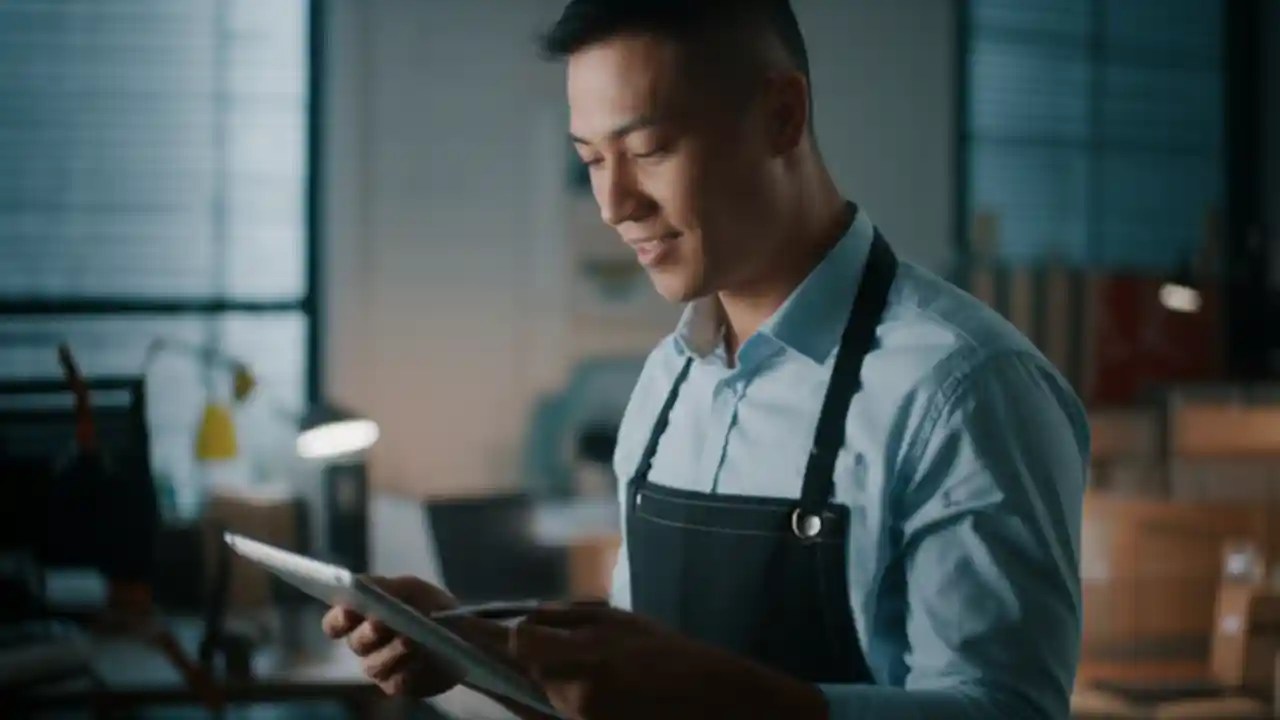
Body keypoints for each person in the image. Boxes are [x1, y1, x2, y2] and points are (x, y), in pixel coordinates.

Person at [323, 1, 1089, 718]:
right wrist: (468, 650)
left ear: (782, 117)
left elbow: (1005, 711)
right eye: (591, 159)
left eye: (649, 149)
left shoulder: (964, 389)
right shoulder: (668, 383)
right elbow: (633, 693)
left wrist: (726, 701)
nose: (614, 203)